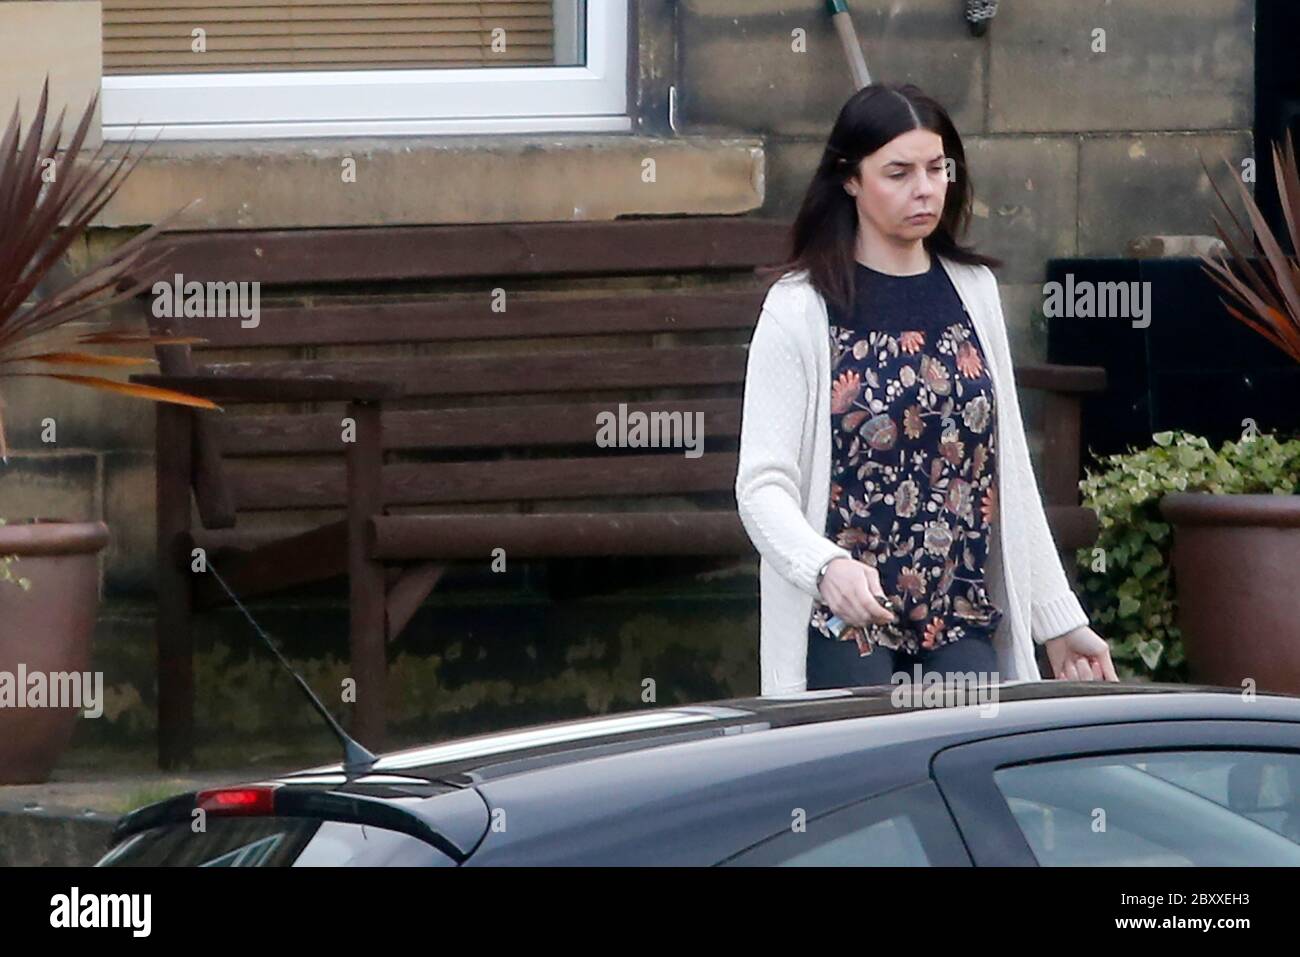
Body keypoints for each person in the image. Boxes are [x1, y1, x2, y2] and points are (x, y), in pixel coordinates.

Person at [735, 83, 1117, 694]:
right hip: (843, 618)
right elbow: (761, 487)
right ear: (850, 179)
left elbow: (1007, 470)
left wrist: (1059, 620)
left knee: (965, 773)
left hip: (959, 610)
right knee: (864, 780)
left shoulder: (973, 290)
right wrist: (824, 567)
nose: (925, 188)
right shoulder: (799, 307)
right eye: (898, 172)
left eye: (937, 168)